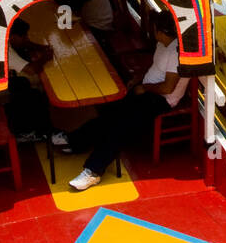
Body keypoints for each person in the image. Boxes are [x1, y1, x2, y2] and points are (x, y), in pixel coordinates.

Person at [51, 16, 188, 191]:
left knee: (121, 126)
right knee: (110, 111)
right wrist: (137, 80)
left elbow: (168, 87)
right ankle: (75, 141)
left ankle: (93, 171)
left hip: (161, 99)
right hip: (146, 89)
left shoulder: (176, 53)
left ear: (160, 32)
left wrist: (144, 88)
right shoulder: (162, 44)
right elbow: (155, 68)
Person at [4, 18, 55, 142]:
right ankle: (29, 132)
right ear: (12, 37)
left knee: (24, 84)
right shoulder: (6, 51)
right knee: (35, 95)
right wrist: (45, 58)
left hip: (5, 80)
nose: (26, 38)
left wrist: (41, 47)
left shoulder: (7, 37)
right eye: (23, 36)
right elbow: (31, 69)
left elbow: (25, 43)